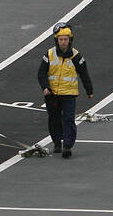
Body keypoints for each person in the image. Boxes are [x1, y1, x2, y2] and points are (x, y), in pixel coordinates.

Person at [36, 23, 94, 159]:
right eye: (61, 39)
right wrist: (45, 87)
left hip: (69, 94)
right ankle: (57, 142)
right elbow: (41, 73)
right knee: (54, 119)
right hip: (52, 94)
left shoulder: (76, 56)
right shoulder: (49, 54)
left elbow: (84, 74)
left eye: (65, 39)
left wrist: (89, 90)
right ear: (57, 40)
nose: (63, 42)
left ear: (70, 40)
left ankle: (67, 146)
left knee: (68, 119)